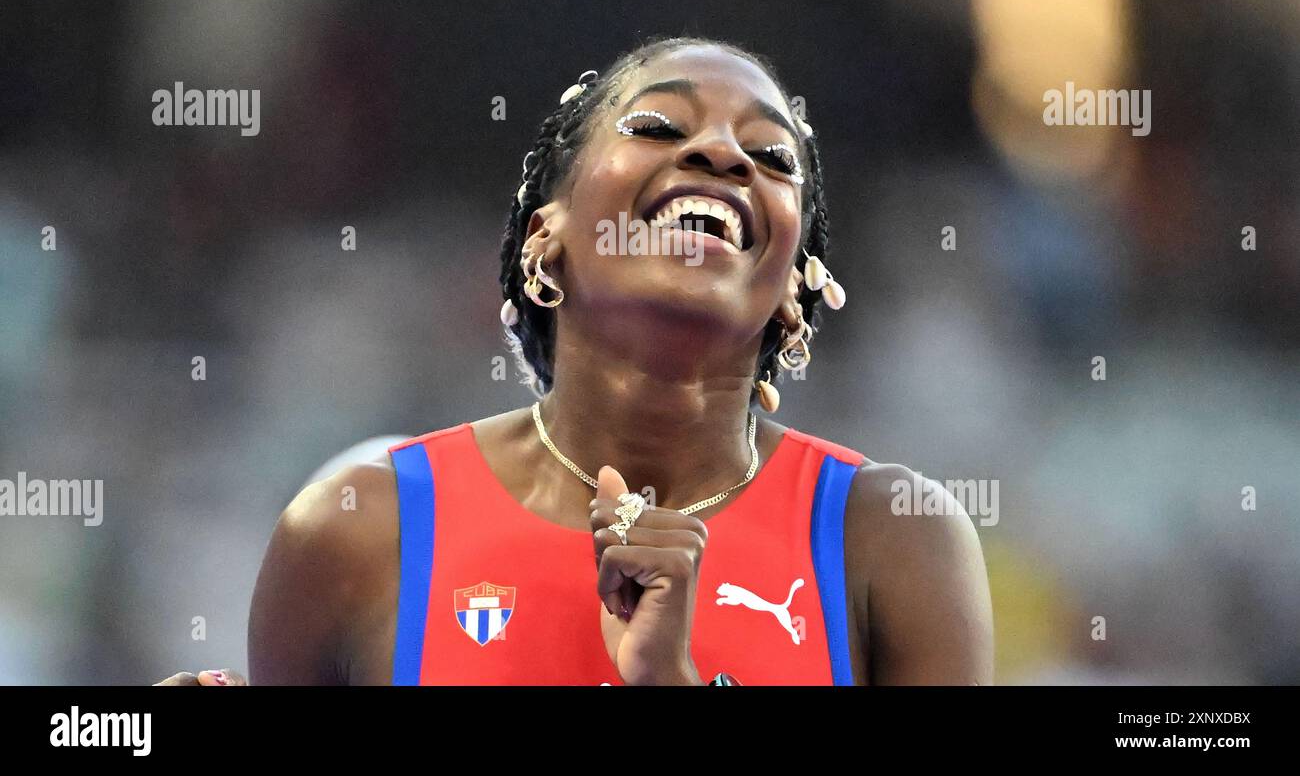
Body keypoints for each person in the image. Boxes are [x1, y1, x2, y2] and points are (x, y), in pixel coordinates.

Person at [158, 36, 993, 686]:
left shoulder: (889, 538)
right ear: (544, 240)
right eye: (658, 127)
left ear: (790, 293)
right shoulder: (358, 531)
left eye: (773, 158)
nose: (724, 156)